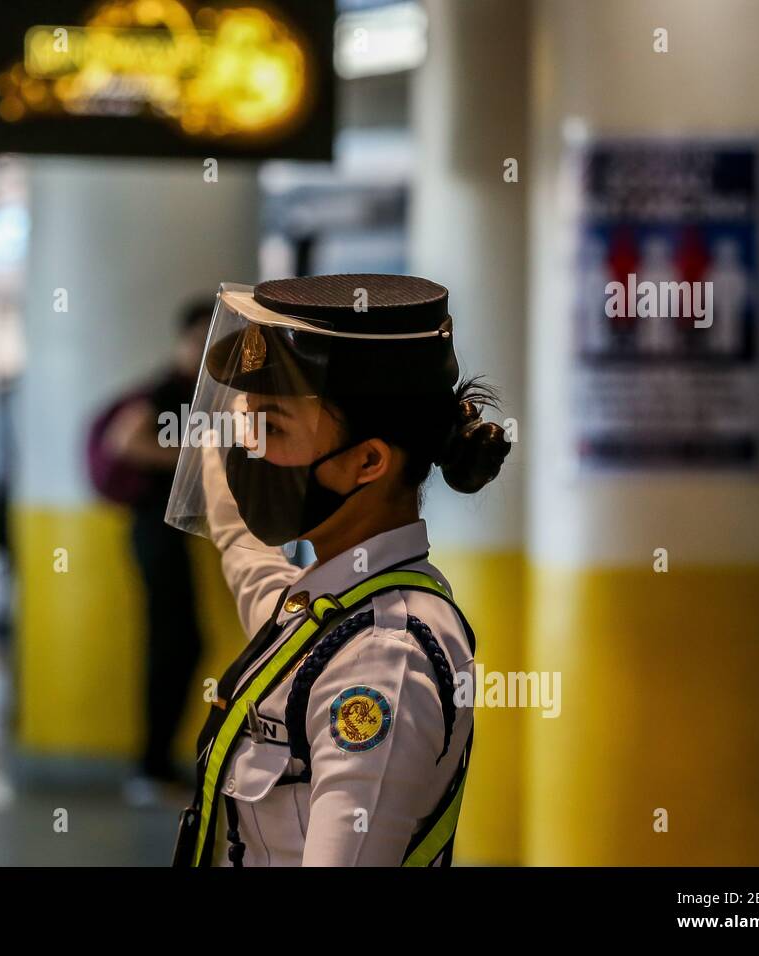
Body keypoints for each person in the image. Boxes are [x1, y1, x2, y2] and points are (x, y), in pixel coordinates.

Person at [167, 274, 510, 866]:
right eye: (245, 423)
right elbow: (252, 565)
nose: (246, 448)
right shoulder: (328, 610)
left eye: (270, 427)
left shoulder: (384, 658)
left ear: (368, 462)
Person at [96, 301, 212, 803]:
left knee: (181, 640)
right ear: (185, 340)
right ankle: (150, 766)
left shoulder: (194, 391)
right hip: (153, 530)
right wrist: (193, 464)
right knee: (175, 641)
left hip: (167, 533)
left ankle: (156, 763)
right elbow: (125, 442)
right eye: (203, 339)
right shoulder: (168, 388)